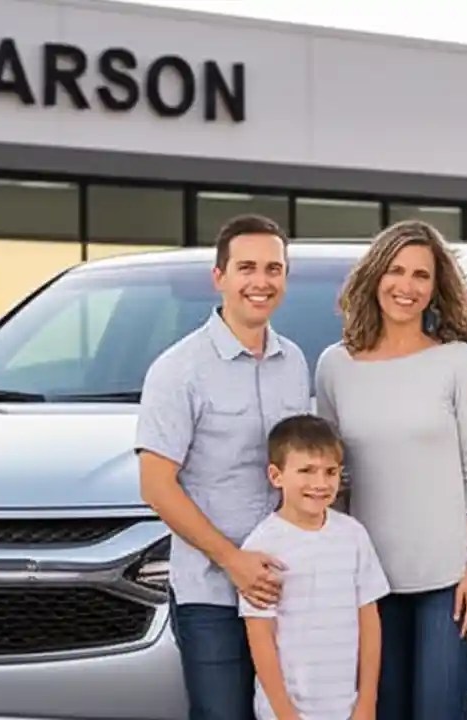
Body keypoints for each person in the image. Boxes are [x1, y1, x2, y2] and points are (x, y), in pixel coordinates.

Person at [314, 219, 467, 720]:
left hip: (450, 580)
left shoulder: (459, 362)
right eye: (396, 271)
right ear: (374, 277)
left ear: (437, 288)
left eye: (422, 275)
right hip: (368, 581)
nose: (407, 287)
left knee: (440, 710)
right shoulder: (335, 366)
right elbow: (332, 481)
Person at [135, 213, 313, 720]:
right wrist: (233, 560)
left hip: (287, 586)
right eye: (247, 268)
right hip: (212, 592)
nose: (261, 282)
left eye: (273, 269)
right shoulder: (178, 370)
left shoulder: (296, 362)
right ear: (220, 277)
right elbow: (156, 485)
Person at [238, 414, 389, 720]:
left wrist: (367, 702)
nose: (320, 484)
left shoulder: (353, 535)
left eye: (330, 472)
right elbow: (261, 637)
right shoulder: (261, 547)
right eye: (306, 471)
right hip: (287, 711)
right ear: (276, 475)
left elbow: (369, 622)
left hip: (347, 708)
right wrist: (285, 714)